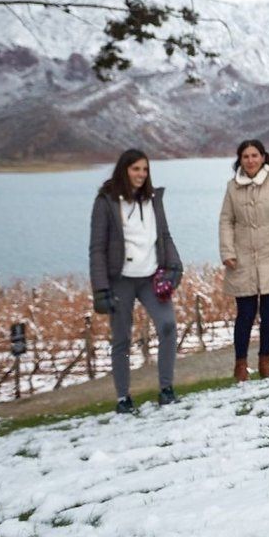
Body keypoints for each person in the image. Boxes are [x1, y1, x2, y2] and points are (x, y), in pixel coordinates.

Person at [89, 149, 183, 413]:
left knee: (167, 326)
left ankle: (166, 389)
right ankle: (123, 397)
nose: (141, 174)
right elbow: (96, 248)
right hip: (121, 280)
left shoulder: (154, 200)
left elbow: (164, 235)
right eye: (135, 169)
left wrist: (175, 265)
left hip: (152, 277)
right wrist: (101, 289)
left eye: (144, 169)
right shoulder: (106, 201)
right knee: (121, 339)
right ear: (124, 170)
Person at [219, 139, 269, 382]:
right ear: (239, 160)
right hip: (242, 259)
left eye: (255, 155)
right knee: (245, 314)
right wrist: (227, 252)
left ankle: (265, 362)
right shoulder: (233, 187)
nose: (250, 160)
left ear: (263, 157)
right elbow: (226, 221)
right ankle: (240, 365)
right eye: (245, 156)